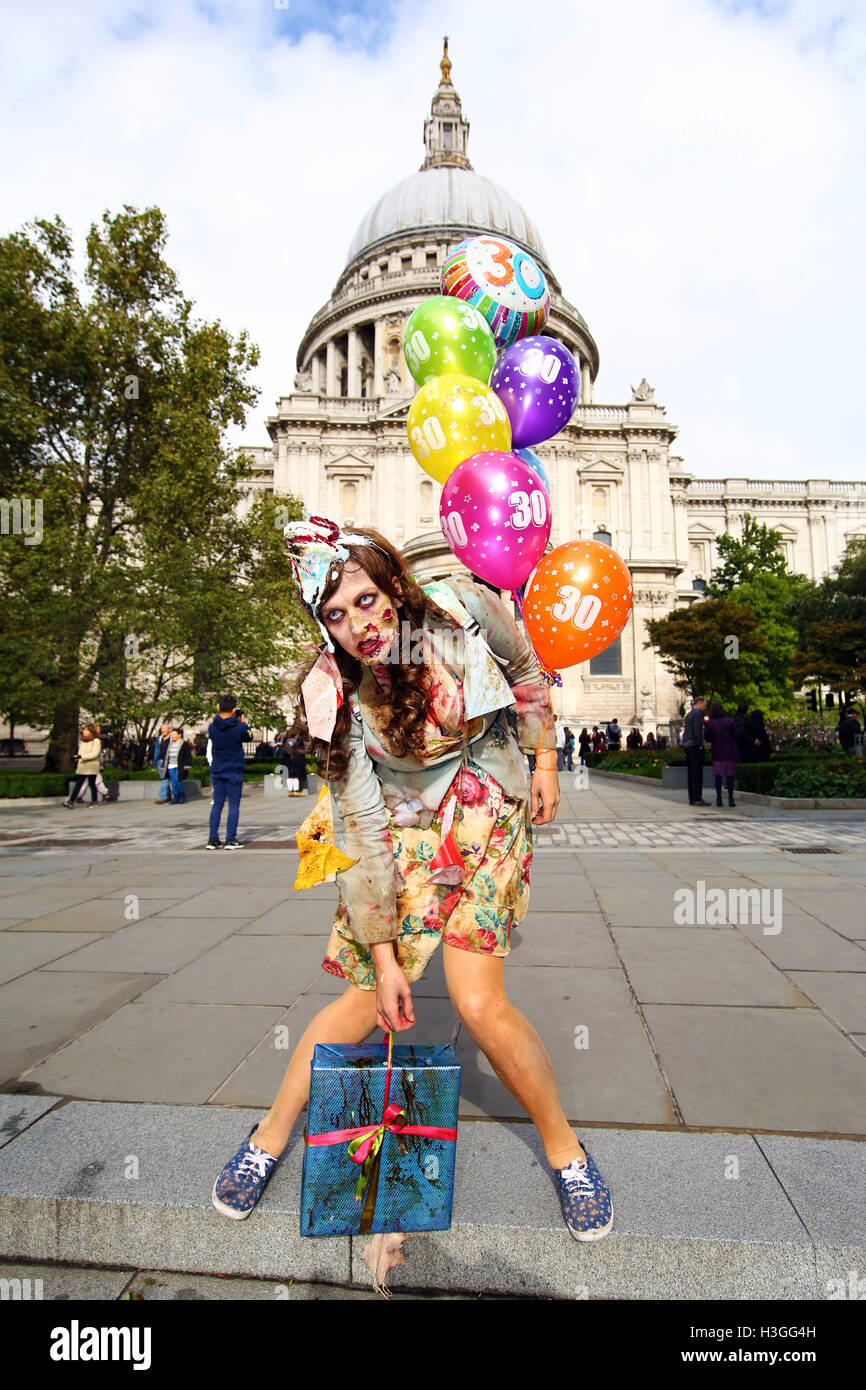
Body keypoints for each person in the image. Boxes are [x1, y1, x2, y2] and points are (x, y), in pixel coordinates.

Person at [211, 517, 613, 1242]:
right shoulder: (333, 699)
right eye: (335, 615)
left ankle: (566, 1151)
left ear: (392, 584)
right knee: (364, 998)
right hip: (400, 827)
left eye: (365, 600)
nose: (358, 624)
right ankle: (268, 1138)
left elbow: (525, 669)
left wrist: (544, 757)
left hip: (487, 809)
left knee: (478, 1002)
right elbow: (361, 831)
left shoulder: (463, 606)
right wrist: (387, 955)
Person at [206, 696, 250, 850]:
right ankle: (231, 838)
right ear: (233, 710)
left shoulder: (212, 727)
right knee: (233, 805)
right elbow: (248, 737)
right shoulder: (239, 727)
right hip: (234, 769)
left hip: (217, 769)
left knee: (217, 804)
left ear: (218, 708)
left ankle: (213, 839)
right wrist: (242, 722)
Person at [705, 701, 740, 808]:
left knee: (718, 776)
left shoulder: (710, 723)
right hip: (730, 751)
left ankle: (719, 798)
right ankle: (730, 798)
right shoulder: (730, 721)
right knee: (730, 776)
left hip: (717, 751)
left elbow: (707, 737)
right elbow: (736, 735)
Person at [63, 724, 102, 808]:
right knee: (78, 784)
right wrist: (76, 758)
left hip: (91, 766)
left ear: (91, 732)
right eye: (84, 730)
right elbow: (80, 753)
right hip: (82, 766)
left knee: (92, 784)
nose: (84, 731)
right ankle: (70, 801)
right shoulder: (82, 741)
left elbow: (95, 754)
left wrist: (81, 757)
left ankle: (94, 801)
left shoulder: (96, 741)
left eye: (86, 730)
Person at [683, 696, 708, 805]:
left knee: (691, 773)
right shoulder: (697, 714)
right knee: (697, 773)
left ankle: (692, 797)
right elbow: (697, 731)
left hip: (688, 746)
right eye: (704, 704)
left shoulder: (689, 714)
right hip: (695, 746)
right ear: (700, 703)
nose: (705, 707)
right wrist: (700, 744)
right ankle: (697, 797)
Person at [164, 728, 192, 805]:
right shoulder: (170, 744)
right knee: (173, 782)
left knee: (178, 781)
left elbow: (188, 756)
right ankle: (175, 797)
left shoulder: (184, 744)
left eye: (174, 734)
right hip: (171, 766)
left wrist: (187, 765)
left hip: (179, 766)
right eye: (171, 734)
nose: (172, 736)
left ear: (179, 735)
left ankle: (181, 796)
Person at [153, 723, 173, 803]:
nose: (163, 730)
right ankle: (168, 795)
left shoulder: (172, 739)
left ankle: (161, 797)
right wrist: (155, 760)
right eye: (162, 729)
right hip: (160, 761)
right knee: (165, 778)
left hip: (168, 761)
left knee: (164, 779)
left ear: (169, 730)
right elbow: (156, 750)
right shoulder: (160, 738)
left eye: (165, 728)